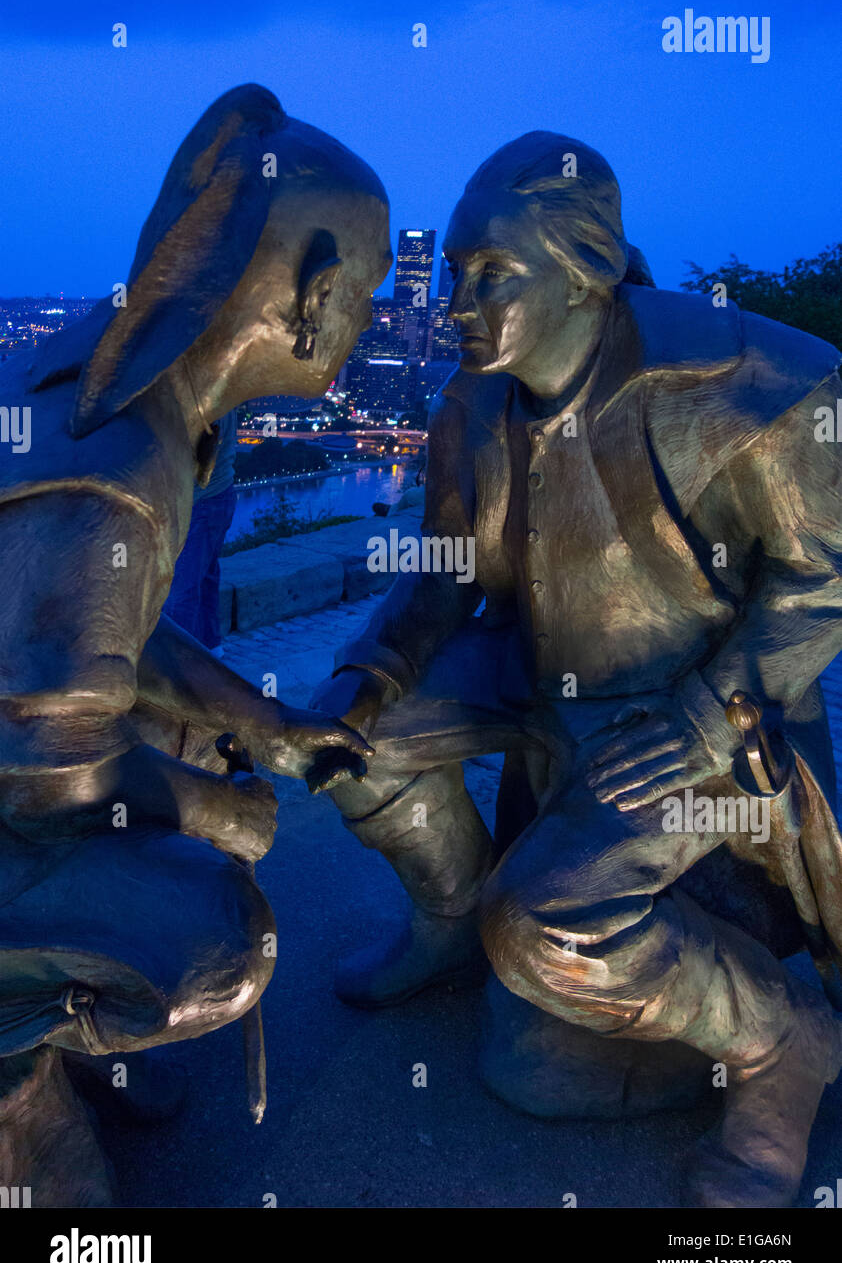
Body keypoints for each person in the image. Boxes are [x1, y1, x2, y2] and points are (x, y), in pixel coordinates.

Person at [312, 131, 842, 1207]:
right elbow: (443, 574)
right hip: (534, 664)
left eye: (488, 275)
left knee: (547, 923)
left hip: (695, 707)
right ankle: (450, 921)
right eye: (453, 271)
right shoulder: (472, 398)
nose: (455, 302)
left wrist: (702, 717)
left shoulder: (749, 384)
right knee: (354, 747)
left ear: (584, 271)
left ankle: (778, 1046)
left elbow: (821, 579)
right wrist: (361, 682)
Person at [0, 84, 391, 1205]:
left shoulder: (112, 385)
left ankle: (74, 1039)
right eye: (362, 301)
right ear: (313, 296)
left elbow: (94, 643)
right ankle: (26, 1095)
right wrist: (221, 809)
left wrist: (263, 725)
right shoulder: (119, 478)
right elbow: (43, 780)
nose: (362, 327)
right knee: (218, 944)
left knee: (183, 742)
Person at [163, 408, 238, 654]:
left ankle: (181, 665)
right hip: (218, 497)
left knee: (180, 591)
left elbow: (193, 463)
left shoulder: (205, 405)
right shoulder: (219, 389)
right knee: (205, 578)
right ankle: (210, 647)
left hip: (200, 503)